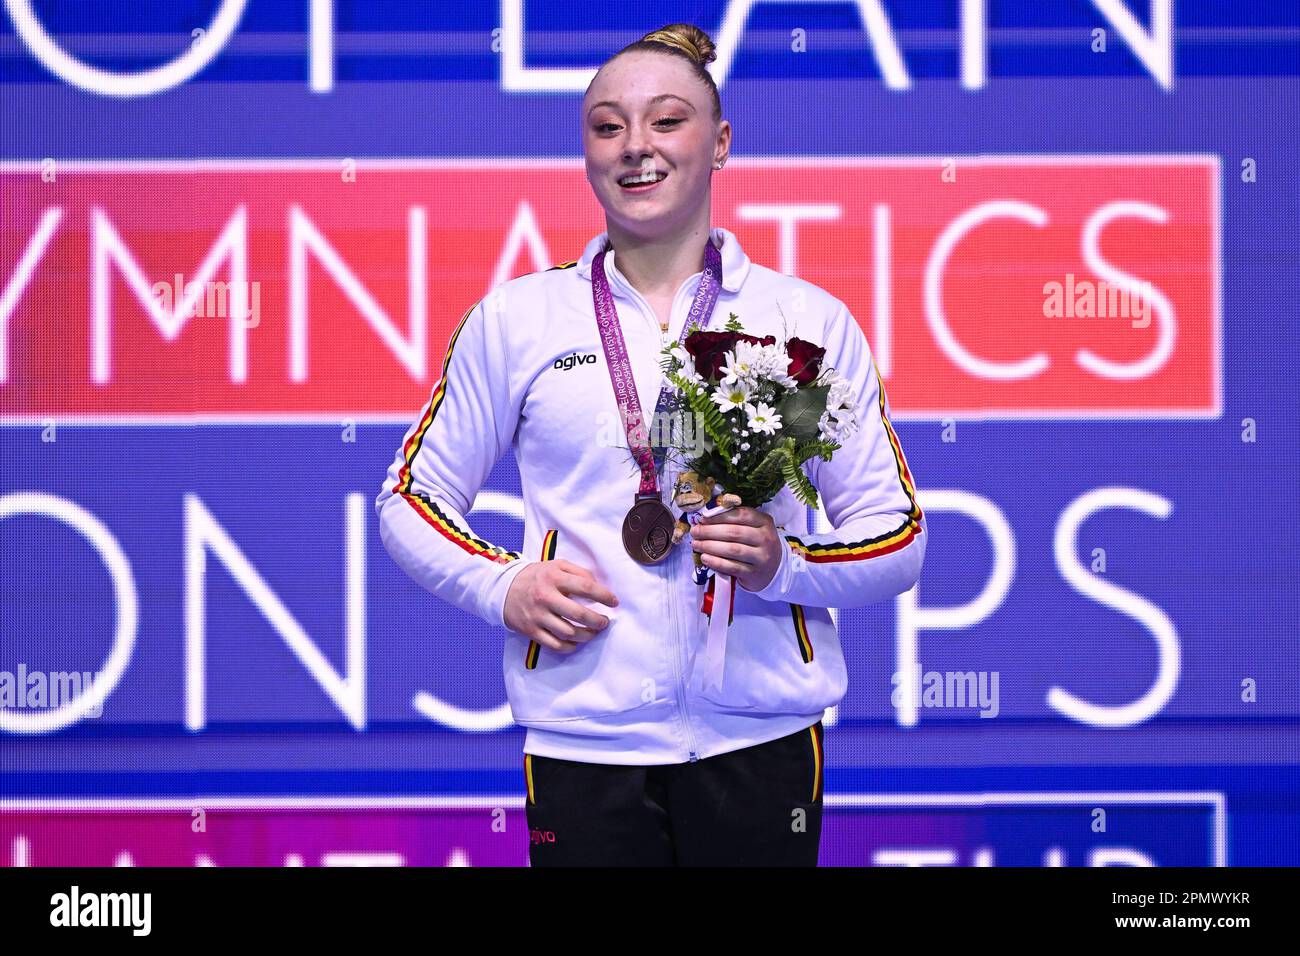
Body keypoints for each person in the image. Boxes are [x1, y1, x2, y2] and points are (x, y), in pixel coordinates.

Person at [375, 23, 926, 866]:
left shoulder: (802, 323)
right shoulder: (519, 321)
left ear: (722, 141)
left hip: (763, 742)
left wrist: (786, 564)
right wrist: (505, 584)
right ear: (585, 150)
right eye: (606, 126)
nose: (636, 147)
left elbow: (899, 535)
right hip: (583, 745)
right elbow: (408, 502)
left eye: (667, 121)